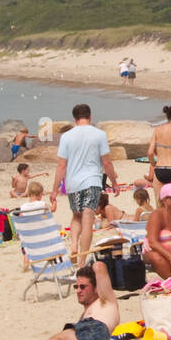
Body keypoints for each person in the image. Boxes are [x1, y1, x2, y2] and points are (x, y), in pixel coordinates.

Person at [50, 103, 119, 263]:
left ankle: (74, 246)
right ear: (90, 116)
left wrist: (54, 190)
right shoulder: (99, 134)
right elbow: (106, 163)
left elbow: (61, 165)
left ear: (74, 119)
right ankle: (81, 261)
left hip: (72, 183)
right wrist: (114, 181)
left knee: (76, 216)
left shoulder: (66, 136)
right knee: (88, 219)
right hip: (92, 181)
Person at [38, 261, 121, 340]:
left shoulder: (106, 300)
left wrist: (82, 262)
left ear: (96, 288)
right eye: (76, 286)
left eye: (83, 287)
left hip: (98, 328)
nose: (78, 291)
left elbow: (99, 266)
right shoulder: (86, 314)